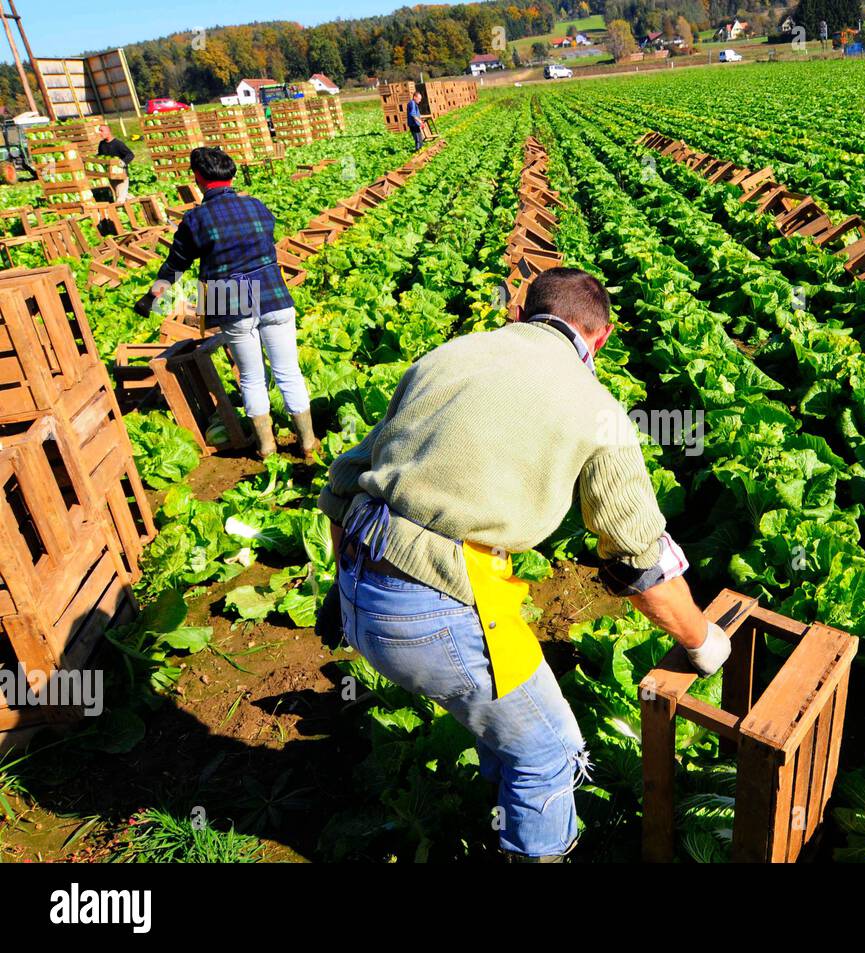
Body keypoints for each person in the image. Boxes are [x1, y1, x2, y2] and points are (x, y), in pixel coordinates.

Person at [319, 268, 730, 862]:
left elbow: (344, 479)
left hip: (361, 577)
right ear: (602, 339)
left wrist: (343, 586)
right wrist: (701, 642)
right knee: (550, 751)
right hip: (434, 610)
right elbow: (641, 565)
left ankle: (494, 802)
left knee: (505, 724)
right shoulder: (598, 409)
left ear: (520, 312)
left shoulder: (449, 356)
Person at [149, 146, 318, 459]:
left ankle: (266, 446)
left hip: (228, 296)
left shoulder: (195, 220)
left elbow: (176, 264)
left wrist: (152, 296)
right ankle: (307, 442)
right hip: (272, 291)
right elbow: (267, 236)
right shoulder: (255, 206)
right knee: (288, 373)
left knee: (251, 377)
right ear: (231, 175)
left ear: (198, 178)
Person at [96, 124, 134, 205]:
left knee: (120, 199)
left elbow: (130, 154)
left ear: (108, 131)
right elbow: (100, 156)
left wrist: (123, 162)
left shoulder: (118, 144)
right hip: (111, 175)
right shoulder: (102, 144)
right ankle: (138, 201)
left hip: (121, 175)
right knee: (121, 194)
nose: (100, 133)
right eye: (99, 131)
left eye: (102, 131)